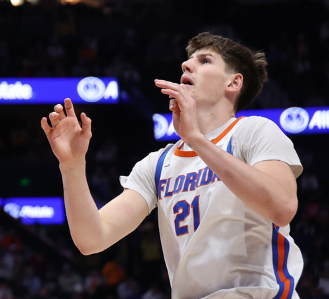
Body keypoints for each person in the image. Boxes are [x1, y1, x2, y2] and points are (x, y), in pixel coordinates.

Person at [42, 32, 302, 299]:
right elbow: (91, 239)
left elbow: (282, 208)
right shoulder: (157, 164)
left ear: (234, 82)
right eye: (188, 61)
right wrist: (72, 166)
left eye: (205, 61)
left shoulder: (254, 131)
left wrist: (196, 139)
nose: (186, 66)